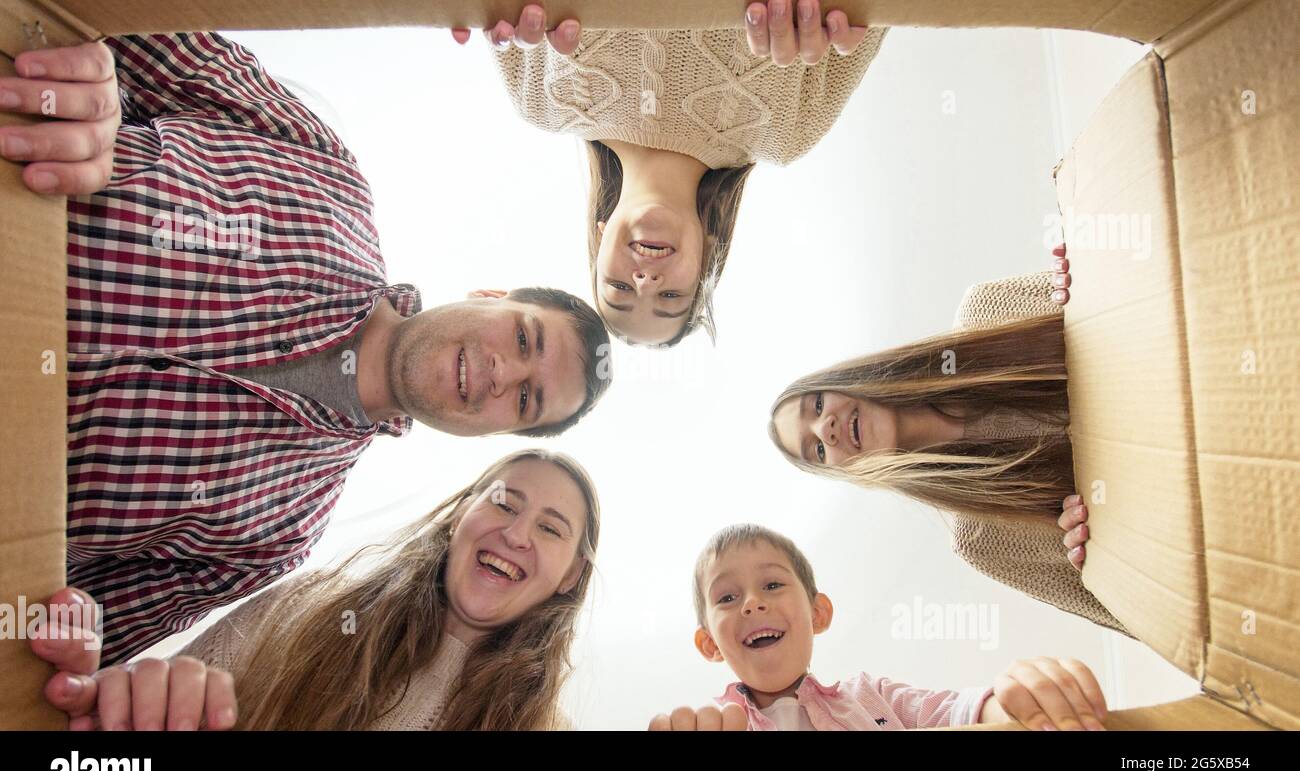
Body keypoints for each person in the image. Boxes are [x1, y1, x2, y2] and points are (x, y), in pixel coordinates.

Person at [3, 33, 612, 664]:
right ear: (490, 294)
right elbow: (121, 29)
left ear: (495, 432)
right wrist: (96, 86)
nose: (500, 372)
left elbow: (58, 648)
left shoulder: (277, 538)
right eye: (521, 338)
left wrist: (66, 645)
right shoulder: (321, 166)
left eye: (524, 398)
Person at [33, 449, 600, 731]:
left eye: (551, 528)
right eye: (503, 501)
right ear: (459, 518)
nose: (516, 532)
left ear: (571, 575)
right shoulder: (310, 609)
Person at [455, 2, 887, 345]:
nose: (644, 280)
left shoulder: (540, 100)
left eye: (619, 288)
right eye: (670, 297)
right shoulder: (789, 129)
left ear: (600, 236)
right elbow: (887, 14)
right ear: (708, 256)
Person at [768, 246, 1130, 634]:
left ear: (843, 379)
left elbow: (1131, 288)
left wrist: (1092, 270)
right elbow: (1126, 614)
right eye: (817, 450)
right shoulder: (982, 539)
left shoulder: (986, 312)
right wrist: (1096, 552)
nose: (827, 429)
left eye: (818, 404)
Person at [650, 523, 1110, 731]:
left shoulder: (874, 697)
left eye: (771, 584)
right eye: (727, 598)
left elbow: (958, 714)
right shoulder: (711, 727)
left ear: (818, 613)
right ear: (709, 643)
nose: (752, 603)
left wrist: (1013, 703)